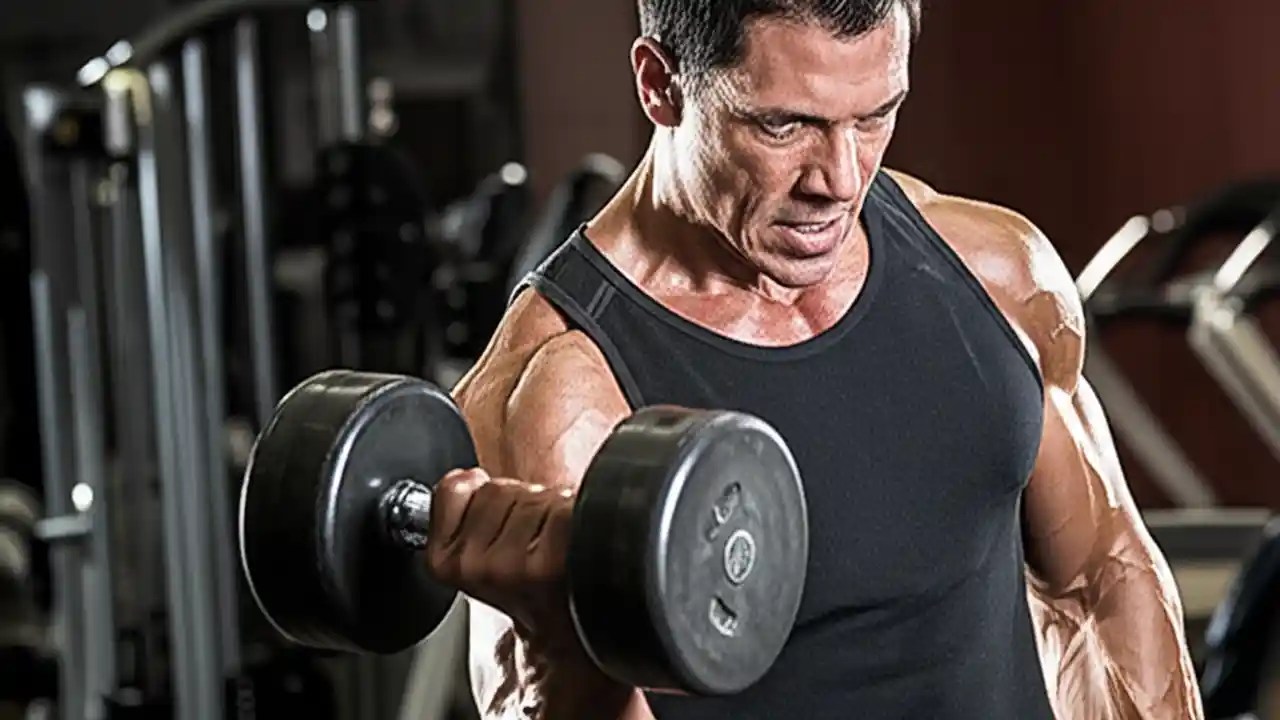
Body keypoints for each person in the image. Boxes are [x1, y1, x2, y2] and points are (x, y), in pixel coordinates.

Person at [426, 1, 1205, 718]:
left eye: (876, 116)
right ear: (661, 86)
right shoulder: (553, 395)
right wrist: (567, 668)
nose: (839, 180)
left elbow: (1100, 584)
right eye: (784, 126)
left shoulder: (993, 272)